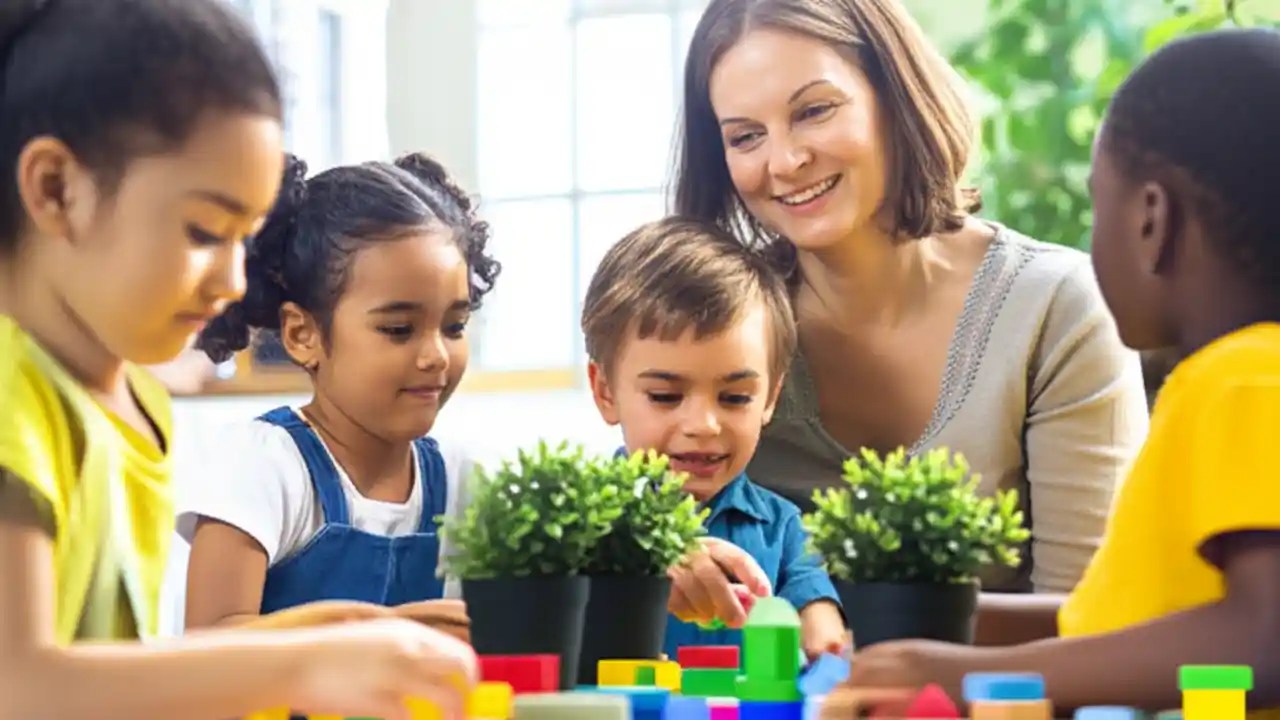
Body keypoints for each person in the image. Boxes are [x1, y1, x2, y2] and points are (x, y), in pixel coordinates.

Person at [0, 1, 475, 718]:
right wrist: (302, 662)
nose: (232, 280)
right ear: (55, 189)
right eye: (203, 231)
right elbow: (21, 684)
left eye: (243, 239)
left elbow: (125, 668)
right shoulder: (13, 399)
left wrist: (337, 631)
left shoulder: (134, 406)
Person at [845, 28, 1280, 716]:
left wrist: (964, 679)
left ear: (1150, 220)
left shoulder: (1246, 377)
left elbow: (1265, 640)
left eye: (1097, 204)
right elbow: (1125, 630)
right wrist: (945, 636)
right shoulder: (1232, 381)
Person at [674, 0, 1150, 605]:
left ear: (894, 97)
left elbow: (1087, 620)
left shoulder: (1055, 308)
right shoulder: (719, 327)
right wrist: (648, 552)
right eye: (745, 137)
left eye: (814, 111)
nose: (785, 162)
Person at [180, 152, 498, 641]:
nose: (436, 354)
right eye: (398, 329)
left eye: (454, 326)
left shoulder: (465, 479)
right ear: (303, 334)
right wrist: (383, 633)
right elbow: (210, 641)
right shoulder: (264, 465)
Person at [581, 217, 845, 660]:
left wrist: (825, 641)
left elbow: (820, 626)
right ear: (606, 392)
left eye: (735, 397)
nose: (704, 424)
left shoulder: (781, 527)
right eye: (665, 396)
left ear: (770, 398)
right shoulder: (576, 520)